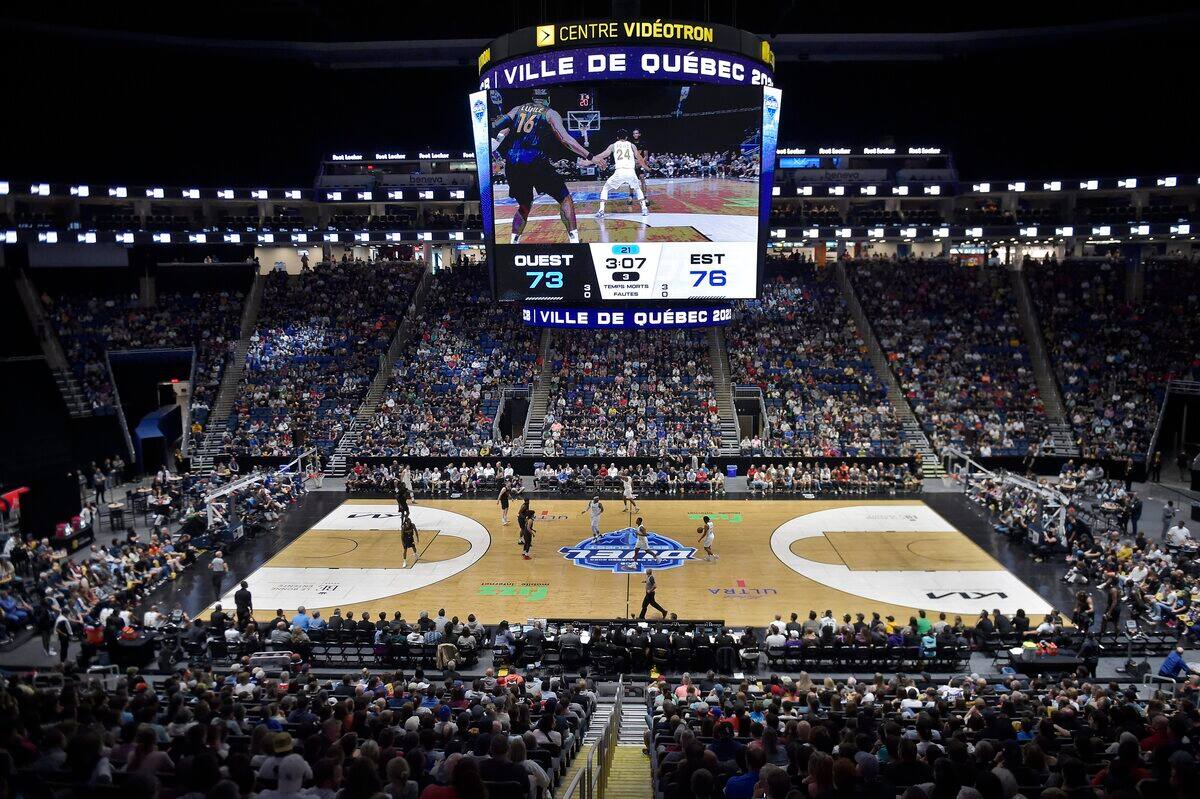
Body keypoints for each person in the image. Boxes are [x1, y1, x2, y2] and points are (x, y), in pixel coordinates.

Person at [490, 87, 596, 244]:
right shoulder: (550, 113)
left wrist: (496, 137)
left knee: (524, 205)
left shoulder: (517, 109)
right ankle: (574, 241)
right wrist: (590, 155)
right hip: (534, 159)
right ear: (548, 99)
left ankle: (513, 243)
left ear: (533, 98)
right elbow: (566, 140)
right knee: (565, 198)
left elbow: (497, 125)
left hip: (512, 160)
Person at [593, 129, 650, 218]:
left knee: (606, 188)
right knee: (638, 189)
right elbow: (639, 158)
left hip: (619, 172)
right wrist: (646, 167)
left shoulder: (613, 145)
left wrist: (590, 159)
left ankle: (601, 210)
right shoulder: (632, 145)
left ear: (617, 137)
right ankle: (644, 209)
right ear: (627, 137)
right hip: (631, 171)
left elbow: (603, 155)